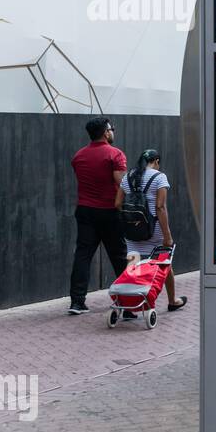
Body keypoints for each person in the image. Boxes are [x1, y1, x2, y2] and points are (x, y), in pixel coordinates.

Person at [116, 149, 187, 312]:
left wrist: (132, 219)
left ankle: (129, 305)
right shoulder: (159, 177)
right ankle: (172, 300)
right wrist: (167, 235)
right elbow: (160, 207)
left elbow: (117, 203)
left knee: (133, 266)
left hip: (132, 230)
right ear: (156, 161)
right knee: (164, 263)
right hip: (154, 229)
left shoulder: (128, 177)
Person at [69, 118, 128, 314]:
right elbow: (122, 184)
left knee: (83, 256)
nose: (113, 132)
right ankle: (128, 304)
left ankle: (77, 302)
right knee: (120, 257)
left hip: (85, 211)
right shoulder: (115, 154)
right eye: (111, 129)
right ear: (106, 133)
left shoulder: (79, 156)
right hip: (110, 211)